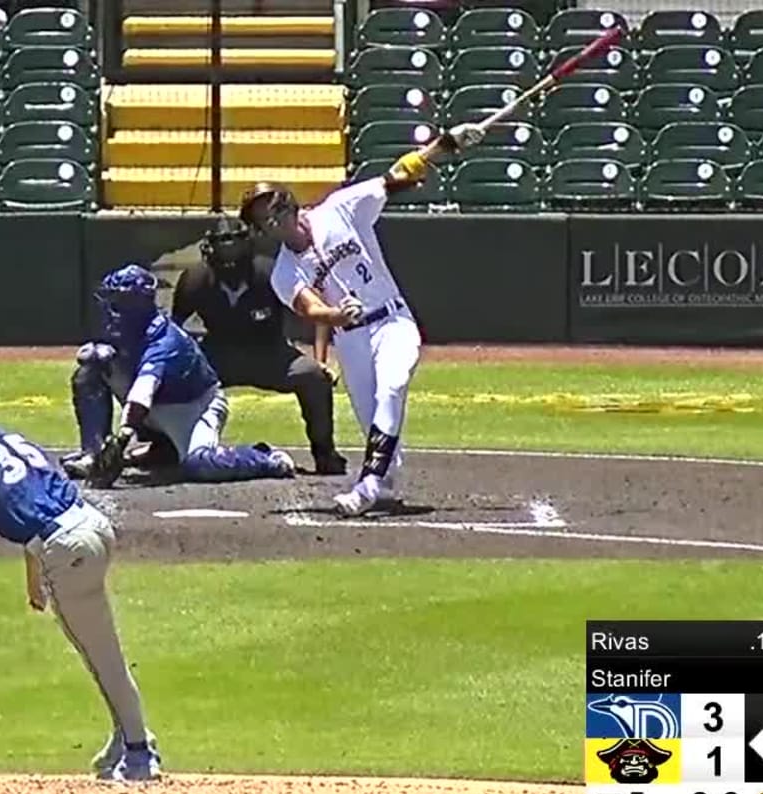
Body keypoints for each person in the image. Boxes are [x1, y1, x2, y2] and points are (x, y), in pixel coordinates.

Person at [0, 371, 161, 782]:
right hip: (92, 525)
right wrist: (33, 579)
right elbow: (34, 504)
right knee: (94, 649)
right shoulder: (9, 437)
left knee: (101, 655)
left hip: (68, 548)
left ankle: (140, 751)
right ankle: (124, 736)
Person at [238, 122, 483, 516]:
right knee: (374, 421)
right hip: (350, 340)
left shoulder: (340, 208)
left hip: (391, 320)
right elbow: (309, 308)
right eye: (263, 219)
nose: (273, 221)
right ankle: (385, 479)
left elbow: (397, 176)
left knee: (393, 386)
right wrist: (335, 314)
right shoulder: (284, 271)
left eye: (273, 210)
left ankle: (368, 484)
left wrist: (447, 143)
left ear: (288, 203)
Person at [64, 264, 297, 488]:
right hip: (153, 404)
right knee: (89, 371)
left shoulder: (165, 341)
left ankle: (265, 457)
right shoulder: (118, 327)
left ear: (137, 304)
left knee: (201, 464)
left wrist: (121, 441)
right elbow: (90, 357)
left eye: (120, 300)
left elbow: (141, 397)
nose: (112, 306)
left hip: (193, 408)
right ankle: (93, 453)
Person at [173, 216, 347, 475]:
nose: (229, 249)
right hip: (218, 355)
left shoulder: (271, 274)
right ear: (209, 247)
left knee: (312, 375)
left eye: (235, 242)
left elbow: (316, 311)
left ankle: (325, 452)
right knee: (170, 377)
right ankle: (164, 446)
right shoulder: (195, 280)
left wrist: (320, 359)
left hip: (269, 353)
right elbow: (174, 328)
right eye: (222, 243)